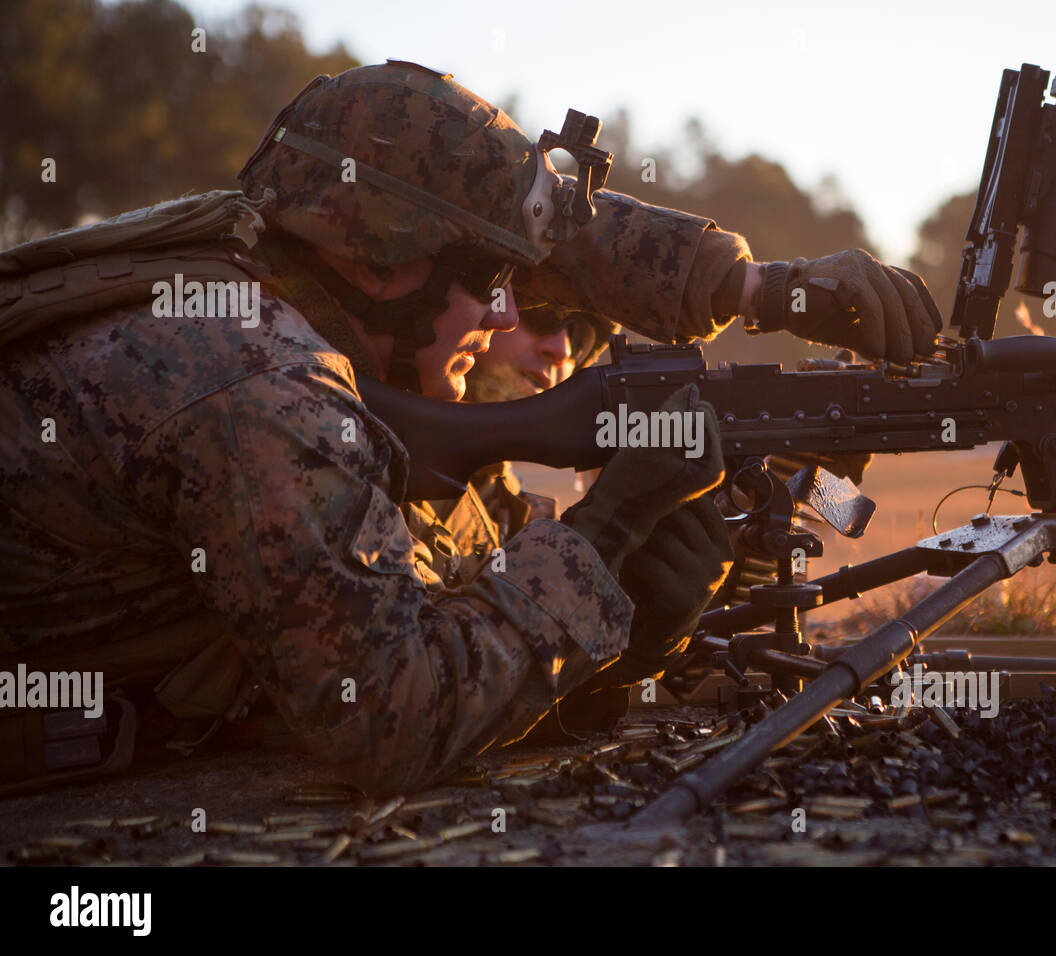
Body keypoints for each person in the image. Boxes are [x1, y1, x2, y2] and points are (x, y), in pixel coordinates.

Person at [0, 60, 942, 794]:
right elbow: (389, 723)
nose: (505, 317)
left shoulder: (278, 248)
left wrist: (764, 288)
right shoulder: (256, 388)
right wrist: (603, 536)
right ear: (380, 268)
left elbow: (519, 227)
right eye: (490, 287)